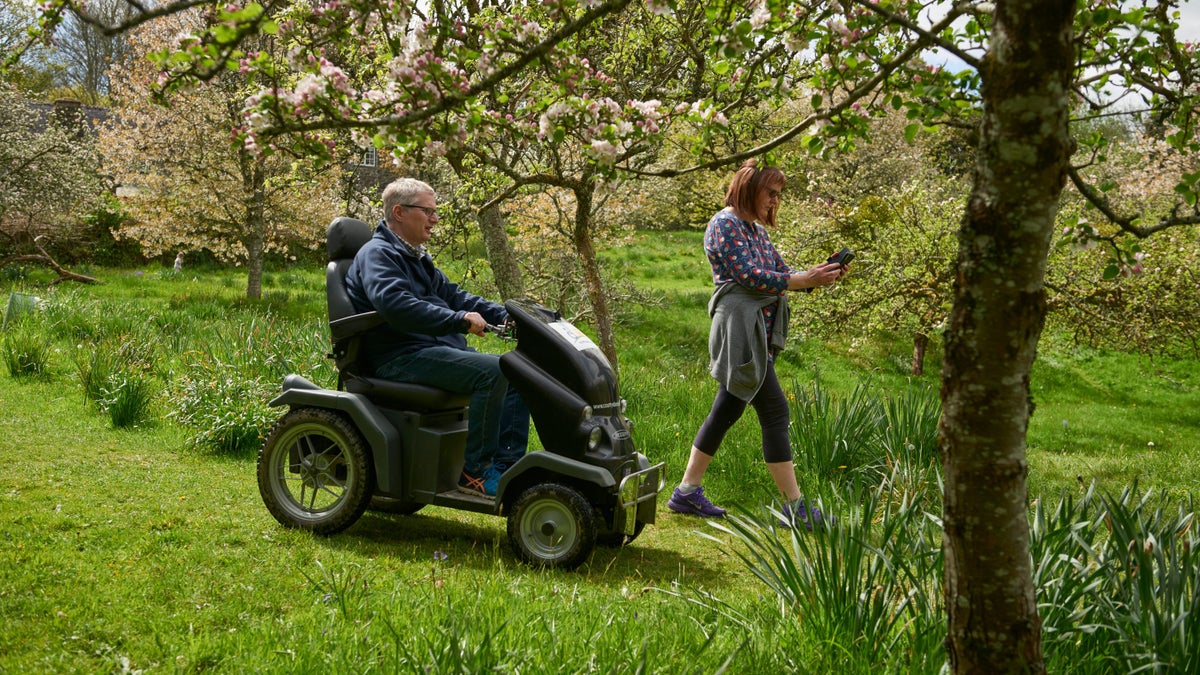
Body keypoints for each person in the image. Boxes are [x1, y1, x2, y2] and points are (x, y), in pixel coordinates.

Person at [668, 159, 847, 528]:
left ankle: (686, 491)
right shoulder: (725, 224)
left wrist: (819, 276)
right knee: (775, 412)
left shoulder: (756, 232)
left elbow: (780, 276)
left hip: (756, 334)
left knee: (726, 411)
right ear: (750, 187)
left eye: (779, 194)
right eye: (771, 192)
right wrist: (801, 280)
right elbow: (749, 276)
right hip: (740, 331)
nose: (775, 201)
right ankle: (794, 508)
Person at [344, 178, 530, 498]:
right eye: (428, 211)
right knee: (495, 371)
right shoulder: (378, 255)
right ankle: (475, 474)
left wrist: (510, 315)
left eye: (435, 210)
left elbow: (454, 295)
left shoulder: (416, 256)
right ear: (400, 212)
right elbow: (396, 306)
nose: (435, 218)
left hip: (427, 349)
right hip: (399, 356)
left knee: (518, 370)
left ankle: (506, 465)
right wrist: (457, 321)